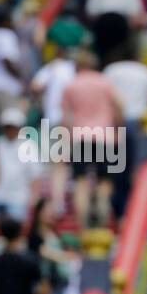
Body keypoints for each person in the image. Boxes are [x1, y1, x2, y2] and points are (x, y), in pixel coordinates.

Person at [60, 50, 123, 227]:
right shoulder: (105, 83)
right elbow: (119, 106)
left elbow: (66, 119)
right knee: (104, 183)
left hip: (80, 137)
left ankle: (83, 229)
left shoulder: (71, 86)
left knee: (80, 184)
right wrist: (118, 128)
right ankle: (102, 226)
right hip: (106, 137)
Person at [0, 106, 42, 222]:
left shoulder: (29, 146)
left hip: (19, 198)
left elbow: (36, 175)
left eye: (12, 127)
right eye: (7, 127)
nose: (10, 130)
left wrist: (34, 197)